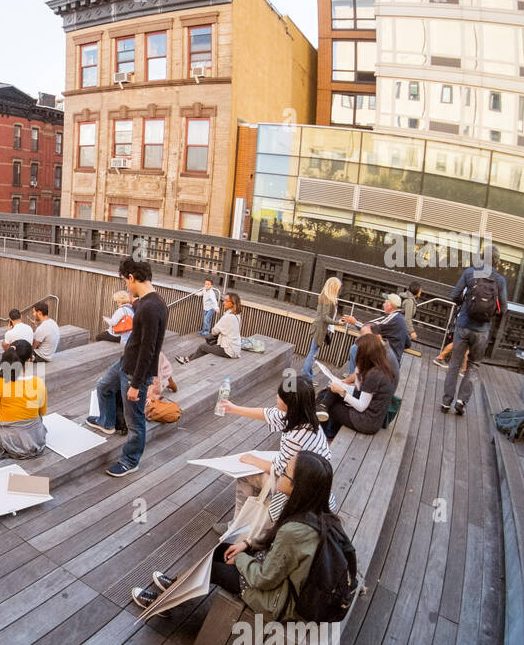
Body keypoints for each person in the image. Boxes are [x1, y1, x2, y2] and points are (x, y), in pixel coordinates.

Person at [137, 451, 342, 621]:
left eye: (285, 472)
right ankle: (174, 587)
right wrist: (247, 543)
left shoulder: (295, 530)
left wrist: (242, 558)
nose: (278, 472)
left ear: (298, 486)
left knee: (213, 569)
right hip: (287, 579)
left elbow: (264, 579)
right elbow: (281, 550)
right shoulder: (318, 514)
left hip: (282, 600)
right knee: (220, 551)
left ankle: (162, 603)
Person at [87, 257, 168, 477]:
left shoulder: (151, 307)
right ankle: (106, 421)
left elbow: (149, 349)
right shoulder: (150, 301)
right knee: (103, 386)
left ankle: (130, 460)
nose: (125, 285)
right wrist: (132, 301)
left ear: (131, 277)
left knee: (135, 421)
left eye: (125, 280)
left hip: (135, 372)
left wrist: (136, 384)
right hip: (126, 361)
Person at [221, 375, 338, 524]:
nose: (277, 397)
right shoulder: (304, 417)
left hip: (300, 495)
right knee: (257, 471)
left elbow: (279, 471)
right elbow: (267, 414)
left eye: (281, 396)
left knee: (246, 475)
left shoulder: (296, 437)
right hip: (315, 487)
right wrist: (234, 409)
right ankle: (251, 516)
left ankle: (237, 525)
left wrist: (252, 459)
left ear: (291, 404)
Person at [442, 243, 507, 416]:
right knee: (473, 365)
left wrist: (465, 305)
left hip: (463, 325)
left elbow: (455, 295)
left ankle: (446, 402)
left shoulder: (470, 272)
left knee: (455, 363)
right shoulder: (500, 280)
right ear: (496, 261)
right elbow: (504, 308)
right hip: (482, 330)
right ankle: (461, 402)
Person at [317, 333, 398, 439]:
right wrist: (353, 376)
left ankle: (327, 431)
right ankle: (321, 409)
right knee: (327, 393)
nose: (356, 354)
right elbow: (361, 390)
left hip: (367, 421)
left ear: (365, 354)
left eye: (359, 351)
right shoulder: (381, 367)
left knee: (331, 405)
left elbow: (361, 406)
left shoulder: (374, 375)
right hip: (372, 414)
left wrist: (342, 391)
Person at [0, 340, 48, 458]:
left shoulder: (0, 382)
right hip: (36, 440)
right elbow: (42, 412)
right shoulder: (38, 383)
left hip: (10, 442)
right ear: (29, 360)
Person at [342, 293, 409, 372]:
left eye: (385, 302)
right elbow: (408, 343)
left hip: (387, 357)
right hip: (395, 360)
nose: (383, 304)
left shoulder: (393, 318)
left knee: (355, 349)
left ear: (390, 305)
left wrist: (354, 322)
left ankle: (355, 377)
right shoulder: (401, 319)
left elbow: (370, 329)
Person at [176, 292, 242, 362]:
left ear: (233, 303)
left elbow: (214, 331)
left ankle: (188, 360)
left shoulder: (228, 317)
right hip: (235, 348)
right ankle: (188, 359)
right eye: (224, 300)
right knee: (206, 346)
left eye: (226, 300)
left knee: (203, 347)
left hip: (228, 351)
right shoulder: (237, 315)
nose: (223, 302)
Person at [304, 277, 341, 379]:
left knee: (312, 353)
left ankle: (309, 377)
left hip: (319, 327)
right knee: (312, 354)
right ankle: (307, 377)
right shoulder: (328, 300)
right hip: (320, 329)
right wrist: (337, 322)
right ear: (334, 287)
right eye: (338, 287)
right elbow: (325, 317)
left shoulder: (324, 296)